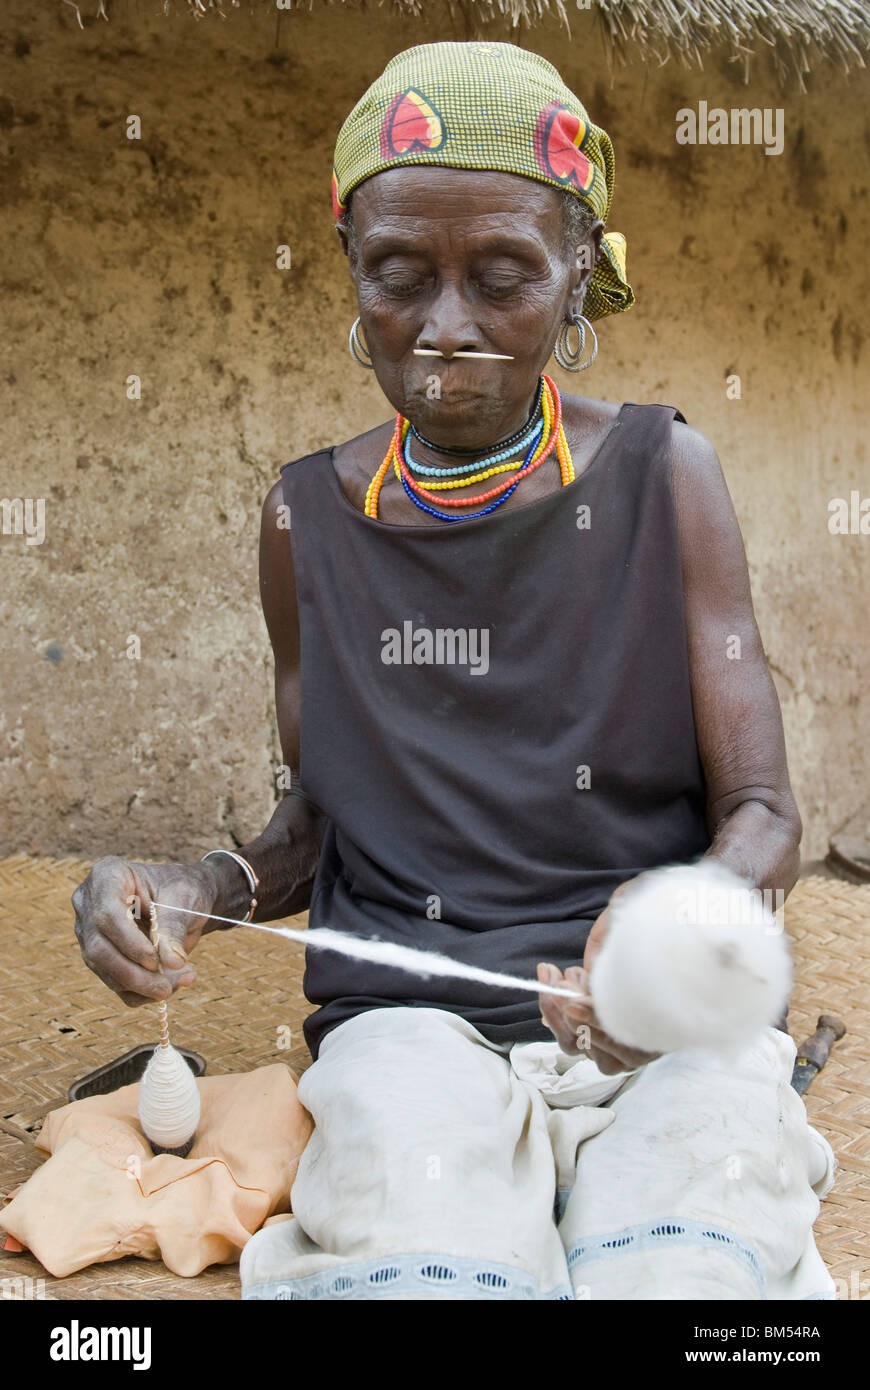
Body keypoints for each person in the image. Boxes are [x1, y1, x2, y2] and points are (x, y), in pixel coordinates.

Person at [72, 40, 836, 1300]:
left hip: (663, 1034)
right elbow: (324, 820)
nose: (447, 329)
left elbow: (763, 817)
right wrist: (191, 885)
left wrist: (658, 950)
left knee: (686, 1273)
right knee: (431, 1275)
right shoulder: (304, 520)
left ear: (579, 273)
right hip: (408, 1029)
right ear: (351, 276)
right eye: (399, 277)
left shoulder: (665, 479)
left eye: (504, 278)